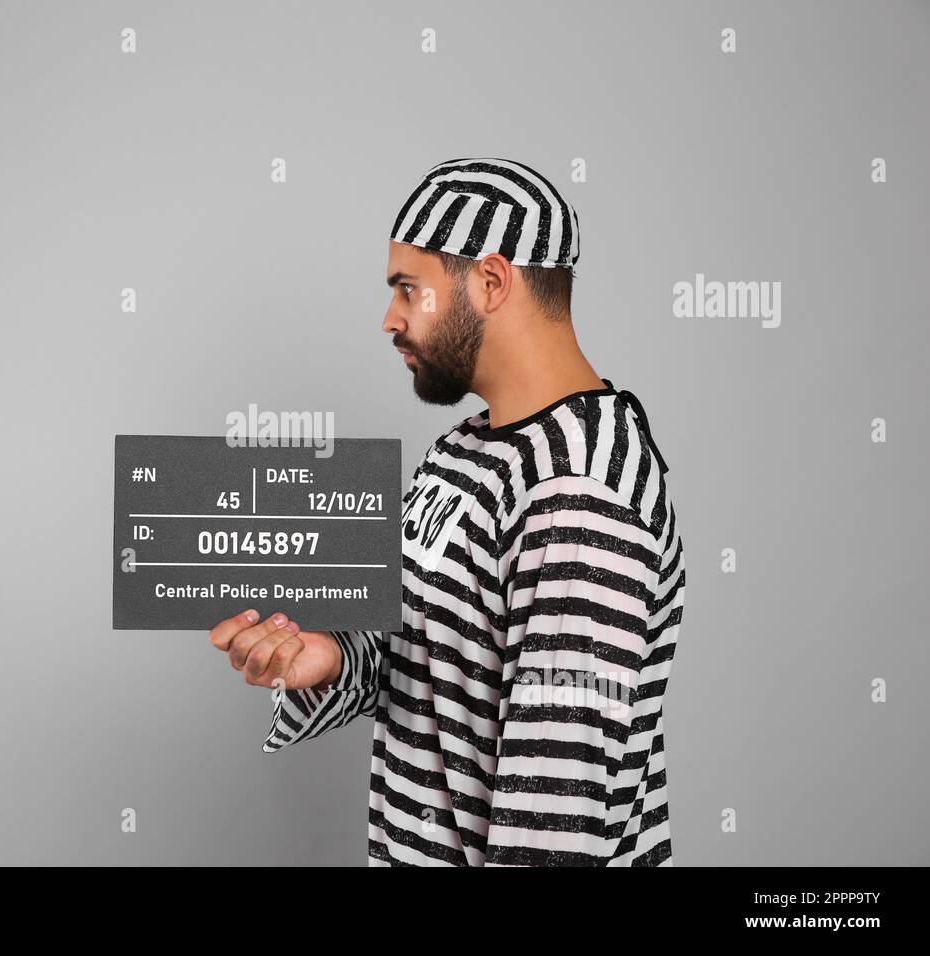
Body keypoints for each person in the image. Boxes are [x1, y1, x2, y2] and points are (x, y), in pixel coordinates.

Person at [207, 158, 686, 866]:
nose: (389, 318)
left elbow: (555, 816)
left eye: (410, 289)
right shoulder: (465, 447)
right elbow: (435, 667)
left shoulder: (579, 489)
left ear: (491, 282)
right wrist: (334, 658)